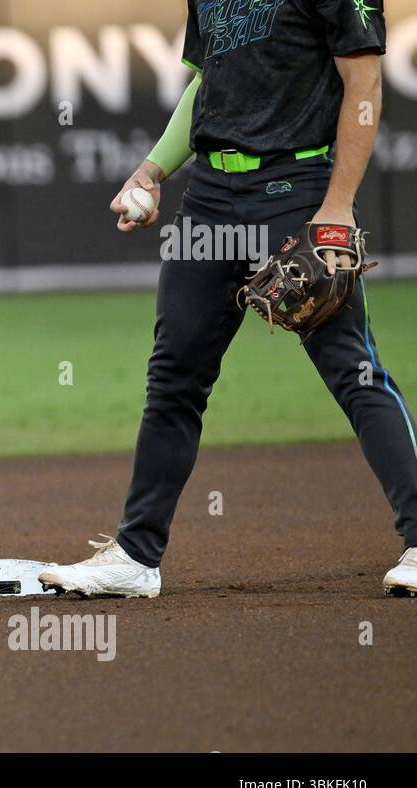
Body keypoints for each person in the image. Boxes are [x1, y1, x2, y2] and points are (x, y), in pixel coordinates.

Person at [39, 1, 417, 598]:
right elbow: (207, 80)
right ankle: (136, 558)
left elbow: (364, 81)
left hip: (297, 189)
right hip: (212, 196)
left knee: (353, 368)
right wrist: (152, 171)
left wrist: (338, 207)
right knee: (174, 375)